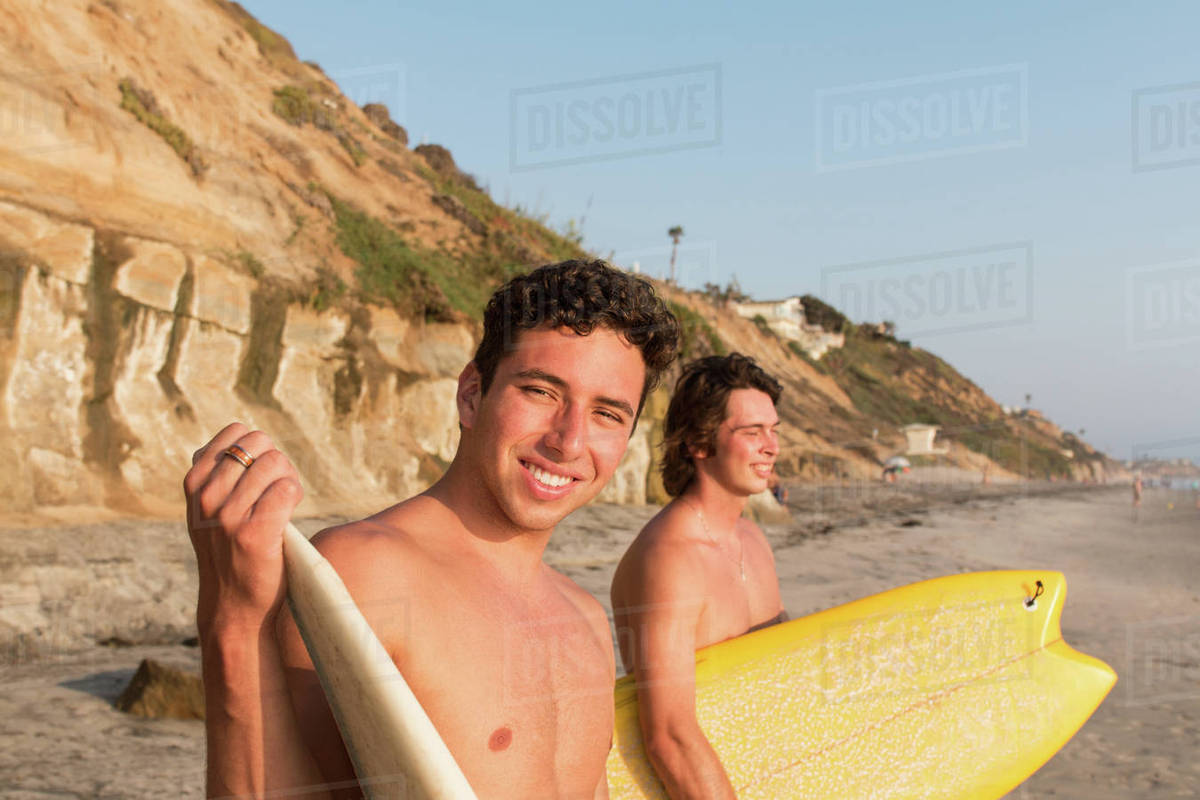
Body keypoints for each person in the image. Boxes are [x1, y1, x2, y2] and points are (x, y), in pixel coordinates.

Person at [183, 260, 679, 799]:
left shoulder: (583, 617)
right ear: (471, 394)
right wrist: (230, 618)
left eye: (607, 414)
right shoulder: (368, 572)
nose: (569, 440)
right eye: (541, 391)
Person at [610, 353, 788, 799]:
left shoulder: (754, 541)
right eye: (752, 432)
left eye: (774, 430)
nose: (772, 446)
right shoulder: (669, 560)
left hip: (767, 772)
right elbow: (669, 736)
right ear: (699, 443)